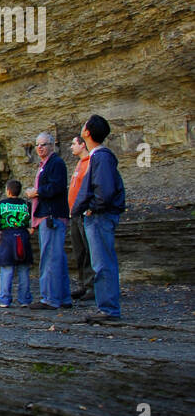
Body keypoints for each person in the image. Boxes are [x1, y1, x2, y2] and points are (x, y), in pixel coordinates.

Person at [72, 114, 126, 322]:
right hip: (98, 215)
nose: (82, 127)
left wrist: (92, 208)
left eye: (84, 125)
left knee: (103, 263)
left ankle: (109, 310)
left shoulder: (101, 157)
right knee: (101, 262)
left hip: (100, 217)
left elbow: (105, 189)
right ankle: (107, 307)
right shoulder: (98, 156)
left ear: (87, 132)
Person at [26, 131, 72, 309]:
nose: (39, 147)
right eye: (37, 144)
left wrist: (36, 192)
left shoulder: (56, 163)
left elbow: (57, 186)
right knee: (57, 257)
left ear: (52, 145)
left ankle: (50, 299)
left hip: (52, 216)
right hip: (48, 215)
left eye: (43, 144)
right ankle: (63, 298)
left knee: (50, 257)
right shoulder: (45, 164)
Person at [0, 179, 33, 307]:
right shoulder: (26, 204)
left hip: (7, 237)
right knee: (23, 269)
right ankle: (24, 299)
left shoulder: (2, 204)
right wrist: (32, 229)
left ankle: (5, 299)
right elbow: (35, 216)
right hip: (23, 236)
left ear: (8, 191)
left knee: (7, 268)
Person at [67, 134, 95, 300]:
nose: (71, 147)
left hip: (85, 213)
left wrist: (89, 207)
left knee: (90, 250)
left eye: (73, 143)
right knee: (80, 251)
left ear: (82, 145)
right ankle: (84, 284)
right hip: (74, 214)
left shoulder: (91, 163)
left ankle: (93, 287)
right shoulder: (80, 163)